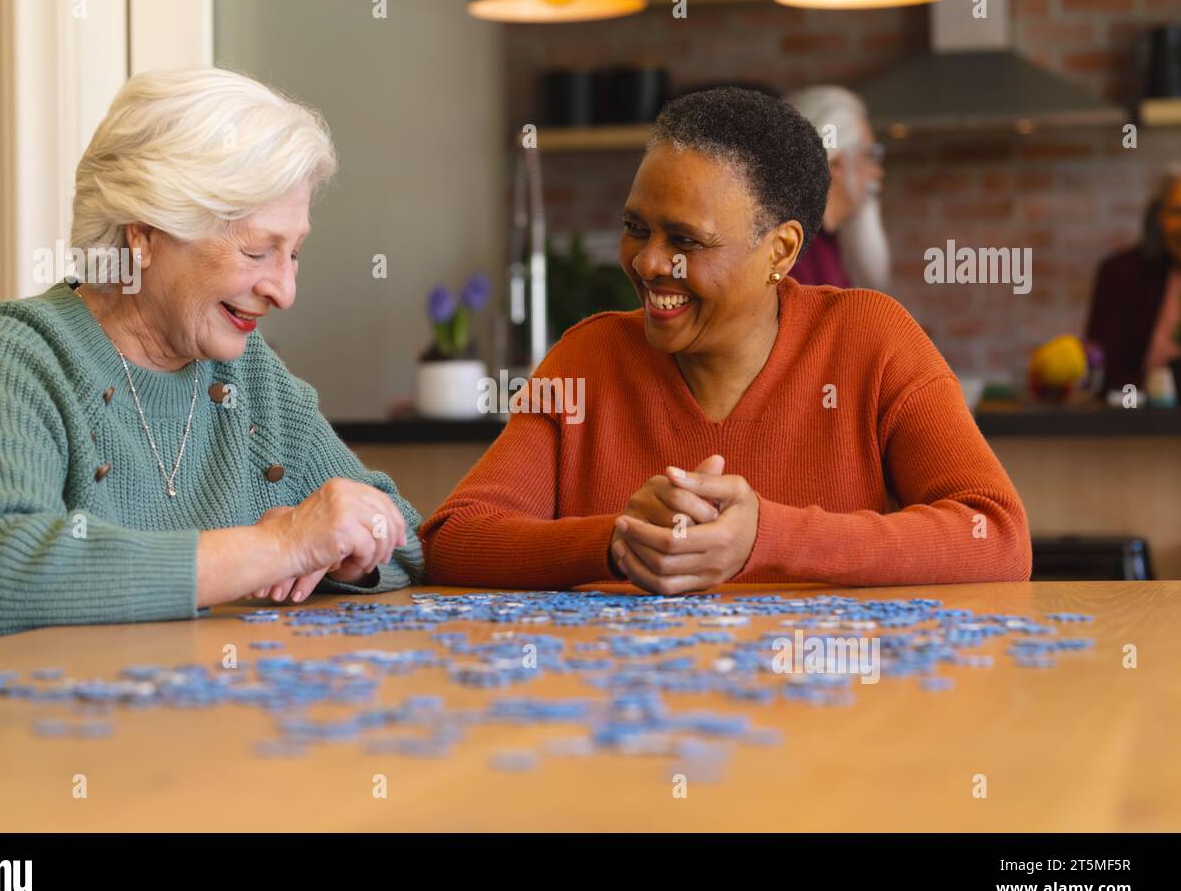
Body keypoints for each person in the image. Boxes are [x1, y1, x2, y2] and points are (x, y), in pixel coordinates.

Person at [0, 67, 423, 638]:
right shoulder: (10, 357)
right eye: (259, 250)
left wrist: (339, 550)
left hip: (173, 717)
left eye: (294, 254)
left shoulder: (251, 375)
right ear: (145, 234)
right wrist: (276, 547)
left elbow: (405, 539)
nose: (284, 291)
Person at [421, 87, 1030, 592]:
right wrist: (616, 542)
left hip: (837, 718)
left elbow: (996, 535)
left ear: (781, 251)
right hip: (626, 721)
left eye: (686, 240)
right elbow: (453, 540)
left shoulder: (872, 340)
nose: (651, 263)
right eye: (636, 228)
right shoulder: (587, 359)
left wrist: (768, 537)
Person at [784, 85, 890, 292]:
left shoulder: (829, 243)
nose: (877, 172)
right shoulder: (791, 252)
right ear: (834, 164)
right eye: (869, 155)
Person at [1086, 166, 1181, 393]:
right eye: (1178, 212)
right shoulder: (1120, 273)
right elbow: (1102, 367)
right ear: (1159, 217)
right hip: (1137, 417)